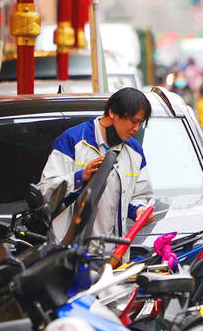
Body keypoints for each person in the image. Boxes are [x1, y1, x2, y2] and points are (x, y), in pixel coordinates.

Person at [37, 87, 154, 243]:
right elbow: (45, 190)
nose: (136, 128)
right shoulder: (72, 140)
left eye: (141, 123)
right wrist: (80, 177)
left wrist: (139, 210)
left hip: (113, 254)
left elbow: (140, 195)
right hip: (68, 254)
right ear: (112, 112)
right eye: (133, 121)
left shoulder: (135, 152)